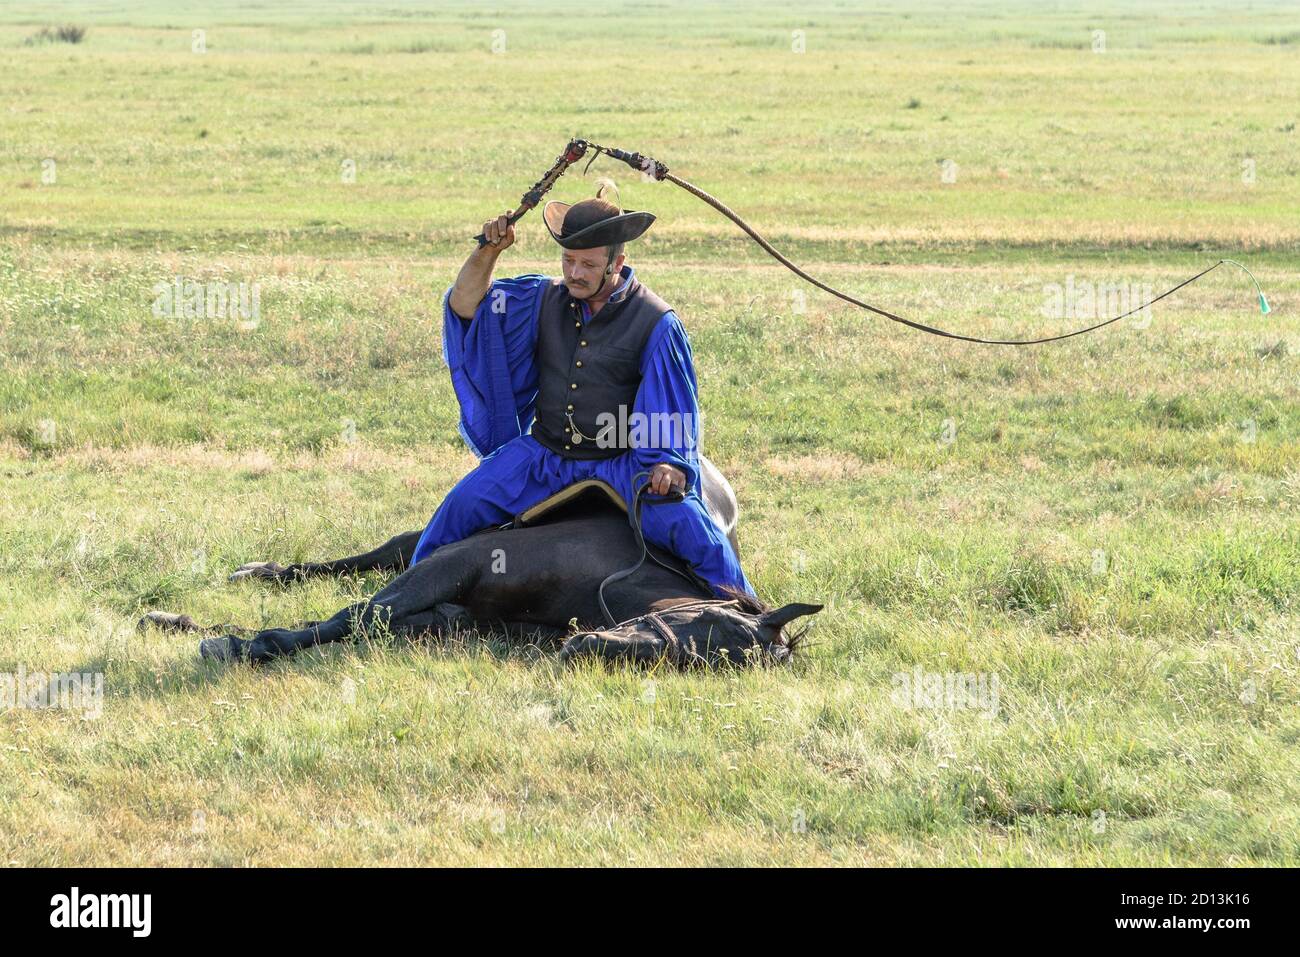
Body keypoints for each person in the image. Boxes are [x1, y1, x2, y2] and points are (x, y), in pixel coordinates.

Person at [410, 188, 754, 597]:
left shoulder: (655, 322)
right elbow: (466, 306)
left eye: (588, 264)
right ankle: (410, 595)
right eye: (568, 260)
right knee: (460, 507)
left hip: (623, 463)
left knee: (696, 534)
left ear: (618, 262)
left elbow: (671, 410)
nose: (575, 273)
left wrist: (670, 464)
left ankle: (749, 614)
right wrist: (488, 252)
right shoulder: (539, 299)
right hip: (545, 456)